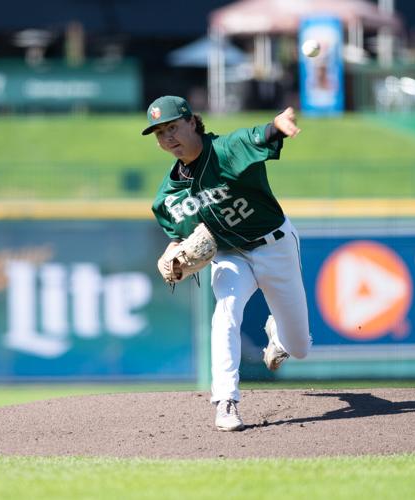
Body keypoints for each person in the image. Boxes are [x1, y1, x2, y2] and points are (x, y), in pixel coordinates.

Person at [143, 96, 312, 432]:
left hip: (274, 247)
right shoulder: (167, 197)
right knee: (226, 312)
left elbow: (259, 135)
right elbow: (179, 235)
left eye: (173, 127)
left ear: (192, 122)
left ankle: (277, 335)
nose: (168, 138)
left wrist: (278, 126)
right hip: (229, 255)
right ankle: (226, 402)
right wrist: (174, 252)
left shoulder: (225, 150)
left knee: (300, 348)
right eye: (160, 133)